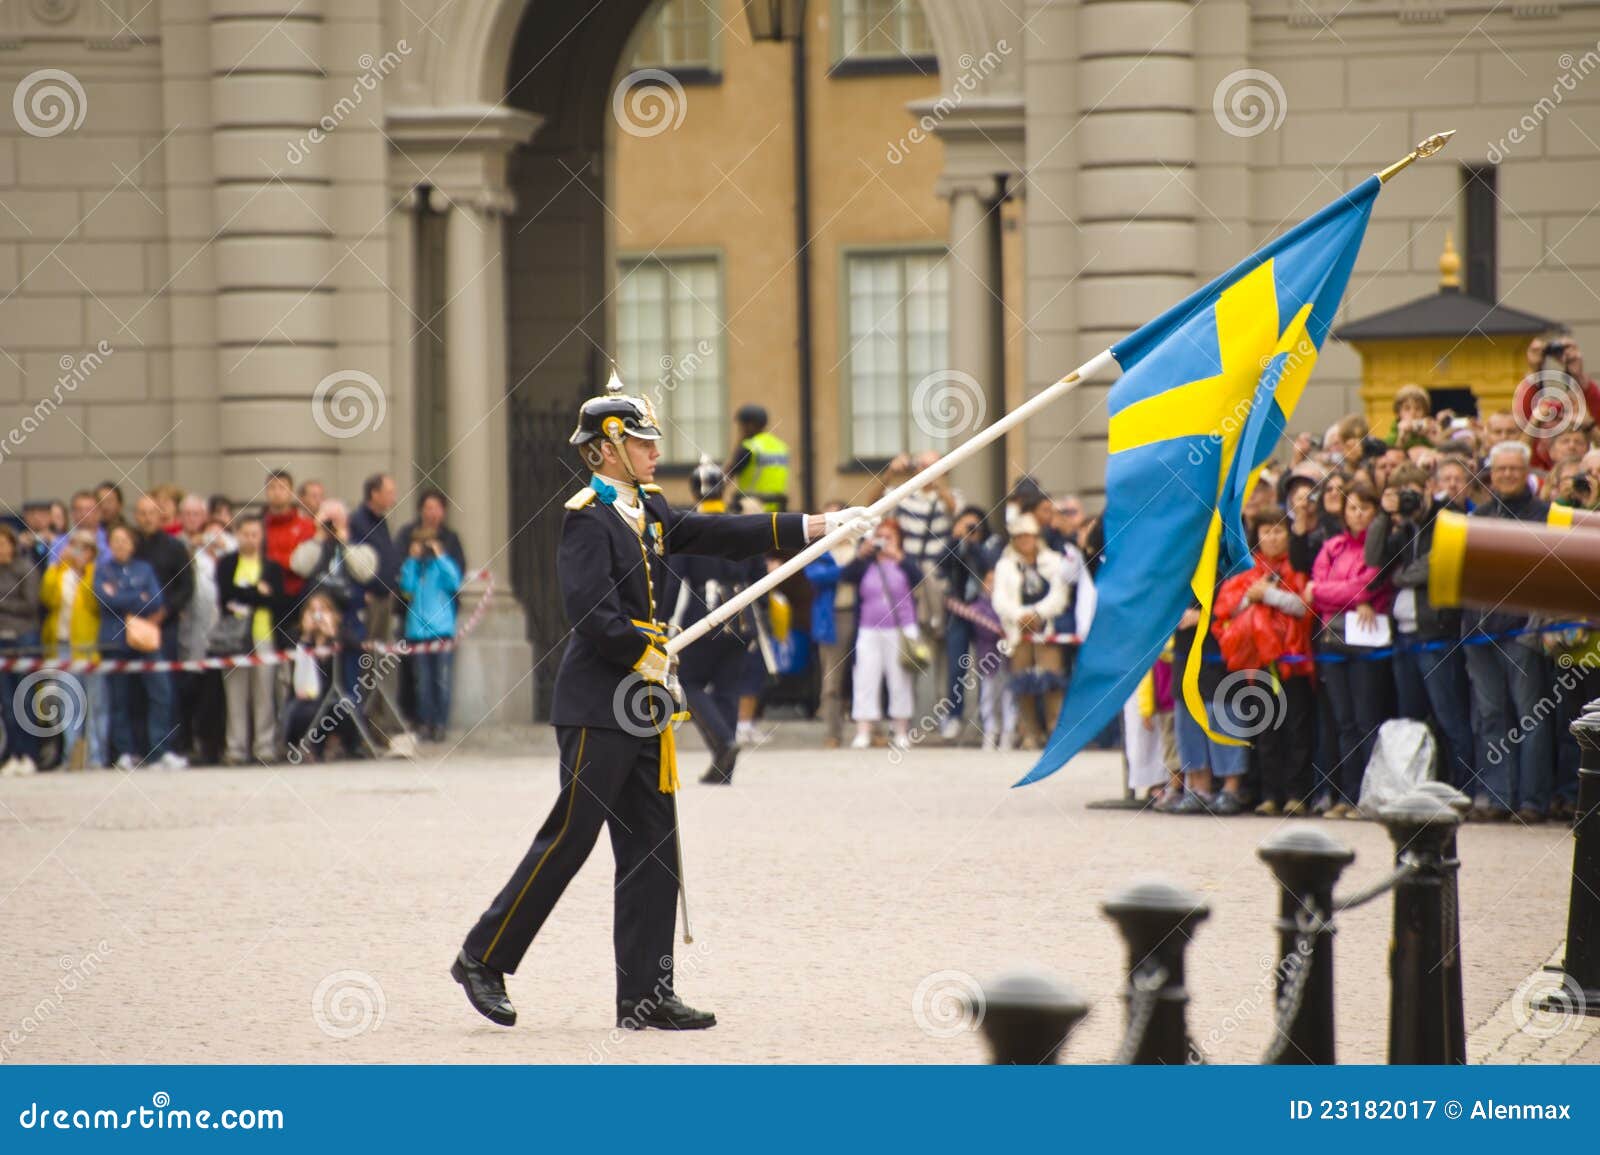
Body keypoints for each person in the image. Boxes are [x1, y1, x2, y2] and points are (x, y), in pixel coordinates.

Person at [454, 377, 861, 1033]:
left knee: (653, 849)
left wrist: (811, 526)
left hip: (642, 703)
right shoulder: (586, 516)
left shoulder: (648, 508)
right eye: (642, 439)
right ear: (608, 447)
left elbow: (718, 532)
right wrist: (645, 646)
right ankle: (481, 956)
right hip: (596, 703)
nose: (653, 449)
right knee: (570, 837)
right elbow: (589, 613)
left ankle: (645, 994)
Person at [1463, 441, 1554, 822]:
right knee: (1490, 716)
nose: (1507, 475)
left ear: (1527, 471)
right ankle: (1498, 796)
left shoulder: (1545, 515)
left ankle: (1532, 801)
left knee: (1530, 716)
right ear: (1491, 475)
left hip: (1522, 632)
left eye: (1514, 469)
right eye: (1500, 470)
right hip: (1479, 634)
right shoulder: (1478, 518)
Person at [1212, 506, 1315, 816]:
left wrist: (1270, 596)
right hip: (1258, 666)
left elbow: (1304, 608)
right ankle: (1269, 794)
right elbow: (1226, 612)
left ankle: (1297, 794)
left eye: (1279, 531)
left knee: (1297, 729)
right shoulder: (1248, 572)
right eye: (1266, 531)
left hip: (1292, 661)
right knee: (1266, 731)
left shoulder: (1297, 567)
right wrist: (1251, 597)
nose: (1272, 537)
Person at [666, 459, 763, 783]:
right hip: (741, 619)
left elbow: (673, 579)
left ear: (695, 490)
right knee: (728, 689)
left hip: (703, 617)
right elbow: (759, 575)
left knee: (689, 682)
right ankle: (724, 765)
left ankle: (723, 742)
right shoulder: (742, 526)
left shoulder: (688, 528)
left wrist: (662, 620)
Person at [1310, 483, 1393, 819]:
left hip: (1367, 643)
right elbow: (1316, 589)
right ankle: (1346, 794)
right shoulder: (1332, 546)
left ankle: (1367, 794)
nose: (1357, 514)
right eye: (1352, 508)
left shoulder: (1379, 546)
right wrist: (1356, 599)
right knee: (1343, 722)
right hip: (1333, 641)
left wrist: (1343, 594)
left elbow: (1373, 582)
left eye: (1364, 508)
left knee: (1365, 720)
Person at [992, 513, 1094, 749]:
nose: (1025, 541)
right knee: (1022, 683)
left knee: (1052, 682)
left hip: (1047, 629)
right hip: (1018, 634)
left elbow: (1060, 595)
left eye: (1028, 536)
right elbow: (999, 599)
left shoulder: (1054, 561)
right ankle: (1030, 733)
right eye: (1020, 537)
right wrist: (1021, 617)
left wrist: (1037, 614)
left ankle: (1055, 732)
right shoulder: (1005, 565)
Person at [841, 518, 922, 751]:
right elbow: (845, 576)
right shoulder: (866, 562)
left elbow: (919, 579)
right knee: (865, 677)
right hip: (869, 628)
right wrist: (862, 554)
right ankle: (864, 730)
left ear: (899, 540)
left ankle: (900, 732)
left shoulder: (905, 561)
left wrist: (898, 556)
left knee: (900, 679)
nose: (884, 542)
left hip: (901, 628)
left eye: (890, 537)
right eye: (881, 537)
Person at [216, 516, 285, 765]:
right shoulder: (226, 564)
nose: (251, 539)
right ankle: (236, 748)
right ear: (237, 535)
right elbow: (226, 596)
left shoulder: (272, 567)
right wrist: (257, 592)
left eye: (255, 534)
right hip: (234, 637)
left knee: (265, 693)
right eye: (246, 534)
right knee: (235, 693)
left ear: (262, 536)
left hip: (263, 634)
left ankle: (264, 746)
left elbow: (277, 600)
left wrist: (248, 595)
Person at [94, 525, 164, 771]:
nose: (121, 545)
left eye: (125, 540)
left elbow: (156, 600)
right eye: (115, 540)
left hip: (143, 640)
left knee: (156, 694)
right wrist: (137, 597)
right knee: (118, 699)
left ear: (133, 544)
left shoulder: (144, 569)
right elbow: (106, 599)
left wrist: (123, 595)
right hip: (114, 641)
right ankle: (124, 751)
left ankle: (157, 751)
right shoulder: (102, 570)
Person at [132, 494, 194, 769]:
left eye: (151, 513)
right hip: (132, 625)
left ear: (161, 516)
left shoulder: (175, 548)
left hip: (165, 627)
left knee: (165, 689)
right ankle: (139, 748)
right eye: (141, 513)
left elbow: (186, 586)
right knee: (133, 689)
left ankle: (166, 747)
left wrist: (164, 613)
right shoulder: (129, 547)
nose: (146, 518)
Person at [39, 530, 101, 769]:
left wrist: (83, 573)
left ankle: (96, 756)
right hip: (63, 644)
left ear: (92, 552)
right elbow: (48, 599)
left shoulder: (95, 573)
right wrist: (56, 567)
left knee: (95, 704)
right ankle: (70, 756)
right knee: (68, 703)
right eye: (74, 545)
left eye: (84, 547)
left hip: (90, 645)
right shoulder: (59, 573)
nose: (78, 552)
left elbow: (95, 603)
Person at [398, 525, 463, 743]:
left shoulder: (441, 566)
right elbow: (407, 589)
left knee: (441, 681)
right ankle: (425, 722)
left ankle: (440, 723)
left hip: (441, 630)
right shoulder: (414, 567)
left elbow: (454, 581)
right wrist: (411, 561)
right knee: (422, 682)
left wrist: (440, 556)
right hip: (418, 631)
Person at [804, 501, 858, 750]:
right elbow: (814, 576)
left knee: (866, 672)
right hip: (832, 616)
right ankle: (833, 732)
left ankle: (875, 730)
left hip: (863, 615)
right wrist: (848, 570)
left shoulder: (860, 546)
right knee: (832, 678)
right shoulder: (821, 549)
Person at [0, 525, 42, 777]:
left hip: (23, 638)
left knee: (24, 699)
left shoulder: (26, 569)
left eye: (3, 544)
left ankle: (30, 753)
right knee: (6, 701)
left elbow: (31, 605)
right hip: (1, 640)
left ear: (13, 545)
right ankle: (14, 753)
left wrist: (3, 604)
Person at [724, 402, 791, 511]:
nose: (740, 430)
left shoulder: (749, 447)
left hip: (752, 510)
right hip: (778, 510)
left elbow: (726, 476)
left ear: (750, 425)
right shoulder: (781, 447)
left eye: (741, 426)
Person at [264, 469, 317, 605]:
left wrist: (274, 559)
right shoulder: (260, 526)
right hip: (266, 594)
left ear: (291, 492)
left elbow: (304, 561)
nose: (276, 493)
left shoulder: (307, 526)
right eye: (271, 488)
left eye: (282, 488)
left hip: (298, 595)